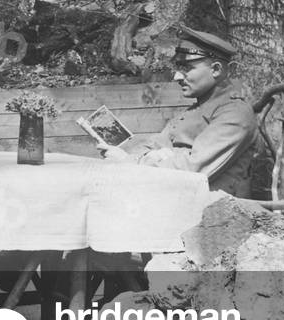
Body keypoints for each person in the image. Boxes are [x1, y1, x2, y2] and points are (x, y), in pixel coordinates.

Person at [100, 26, 257, 197]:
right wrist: (142, 156)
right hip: (175, 201)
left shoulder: (235, 114)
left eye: (187, 68)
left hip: (214, 212)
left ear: (216, 70)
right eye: (178, 68)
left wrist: (131, 162)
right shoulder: (192, 111)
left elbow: (192, 170)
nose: (176, 77)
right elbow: (153, 144)